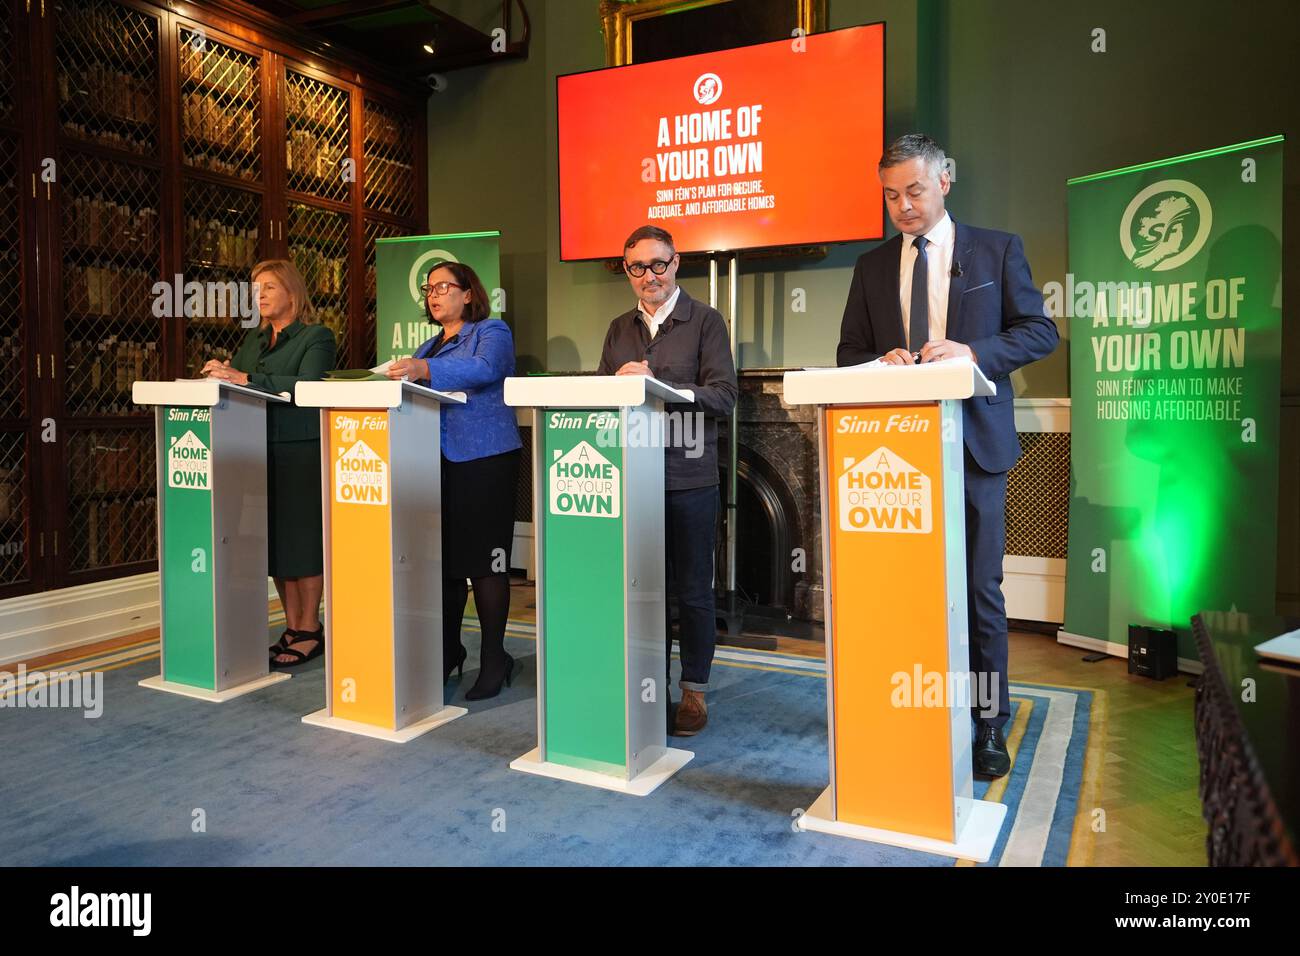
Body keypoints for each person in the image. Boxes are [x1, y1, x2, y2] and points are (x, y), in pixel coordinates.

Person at [837, 134, 1059, 776]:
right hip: (895, 451)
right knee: (905, 591)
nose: (902, 205)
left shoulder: (997, 247)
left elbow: (1040, 331)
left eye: (913, 190)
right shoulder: (871, 267)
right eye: (890, 195)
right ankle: (910, 707)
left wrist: (973, 352)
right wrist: (883, 360)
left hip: (976, 447)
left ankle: (989, 724)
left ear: (945, 182)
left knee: (980, 591)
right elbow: (849, 352)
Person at [597, 225, 737, 736]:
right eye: (638, 267)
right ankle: (646, 683)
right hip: (632, 477)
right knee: (641, 589)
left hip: (689, 477)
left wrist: (658, 384)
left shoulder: (705, 321)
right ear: (628, 271)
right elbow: (602, 395)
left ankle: (693, 693)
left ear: (676, 264)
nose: (649, 276)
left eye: (659, 264)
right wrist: (611, 385)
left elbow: (724, 396)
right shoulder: (618, 329)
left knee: (694, 592)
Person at [386, 261, 522, 700]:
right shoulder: (427, 345)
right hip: (436, 461)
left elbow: (486, 369)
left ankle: (495, 657)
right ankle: (448, 651)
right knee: (444, 565)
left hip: (485, 459)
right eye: (429, 288)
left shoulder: (491, 331)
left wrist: (422, 371)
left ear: (468, 293)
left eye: (444, 286)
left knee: (486, 565)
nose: (434, 294)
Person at [202, 258, 337, 667]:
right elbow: (241, 377)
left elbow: (309, 387)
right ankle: (291, 626)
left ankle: (311, 627)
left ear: (292, 293)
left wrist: (244, 378)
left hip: (301, 448)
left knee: (303, 541)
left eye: (268, 288)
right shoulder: (255, 340)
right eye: (255, 289)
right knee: (275, 542)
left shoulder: (317, 336)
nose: (259, 296)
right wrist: (222, 374)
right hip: (256, 448)